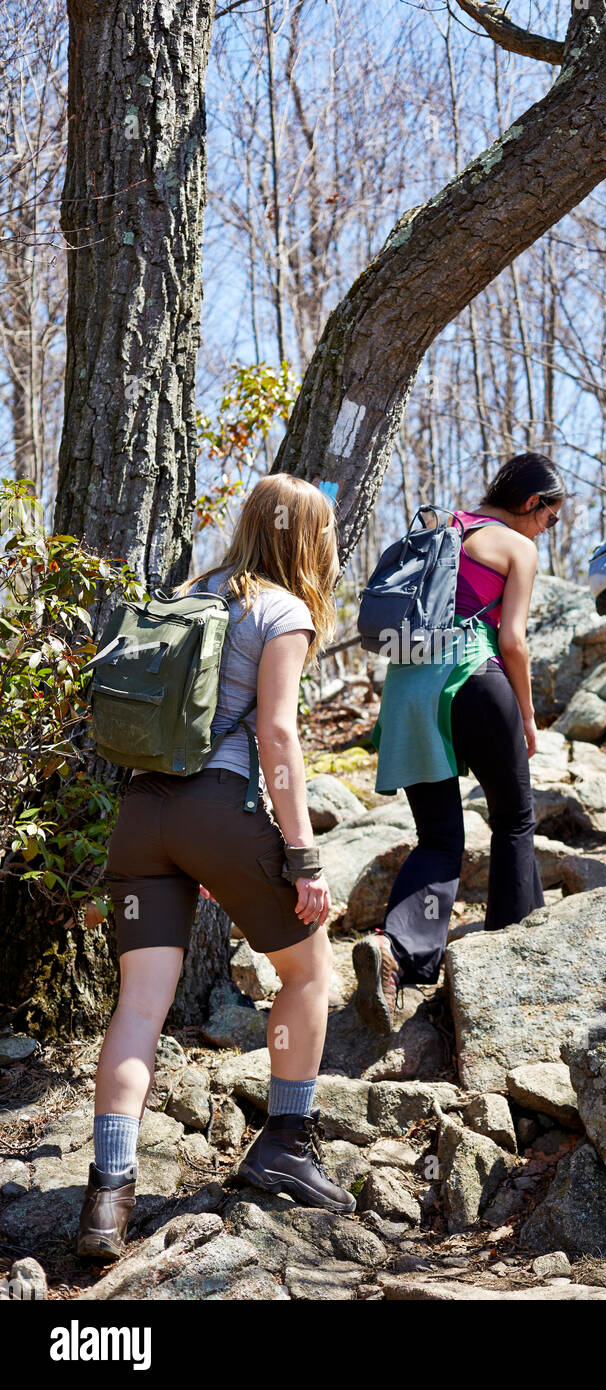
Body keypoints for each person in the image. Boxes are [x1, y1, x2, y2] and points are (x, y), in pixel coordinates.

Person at [76, 475, 355, 1263]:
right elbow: (276, 737)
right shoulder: (284, 611)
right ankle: (286, 1146)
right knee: (308, 972)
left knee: (138, 1008)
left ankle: (107, 1198)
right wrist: (302, 857)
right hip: (219, 809)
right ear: (310, 541)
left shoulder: (190, 591)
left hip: (141, 817)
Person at [353, 453, 565, 1034]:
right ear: (531, 504)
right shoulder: (517, 546)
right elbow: (514, 642)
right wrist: (526, 716)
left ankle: (396, 950)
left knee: (441, 834)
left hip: (407, 688)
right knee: (515, 819)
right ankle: (511, 953)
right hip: (472, 674)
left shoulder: (440, 524)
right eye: (549, 519)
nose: (546, 530)